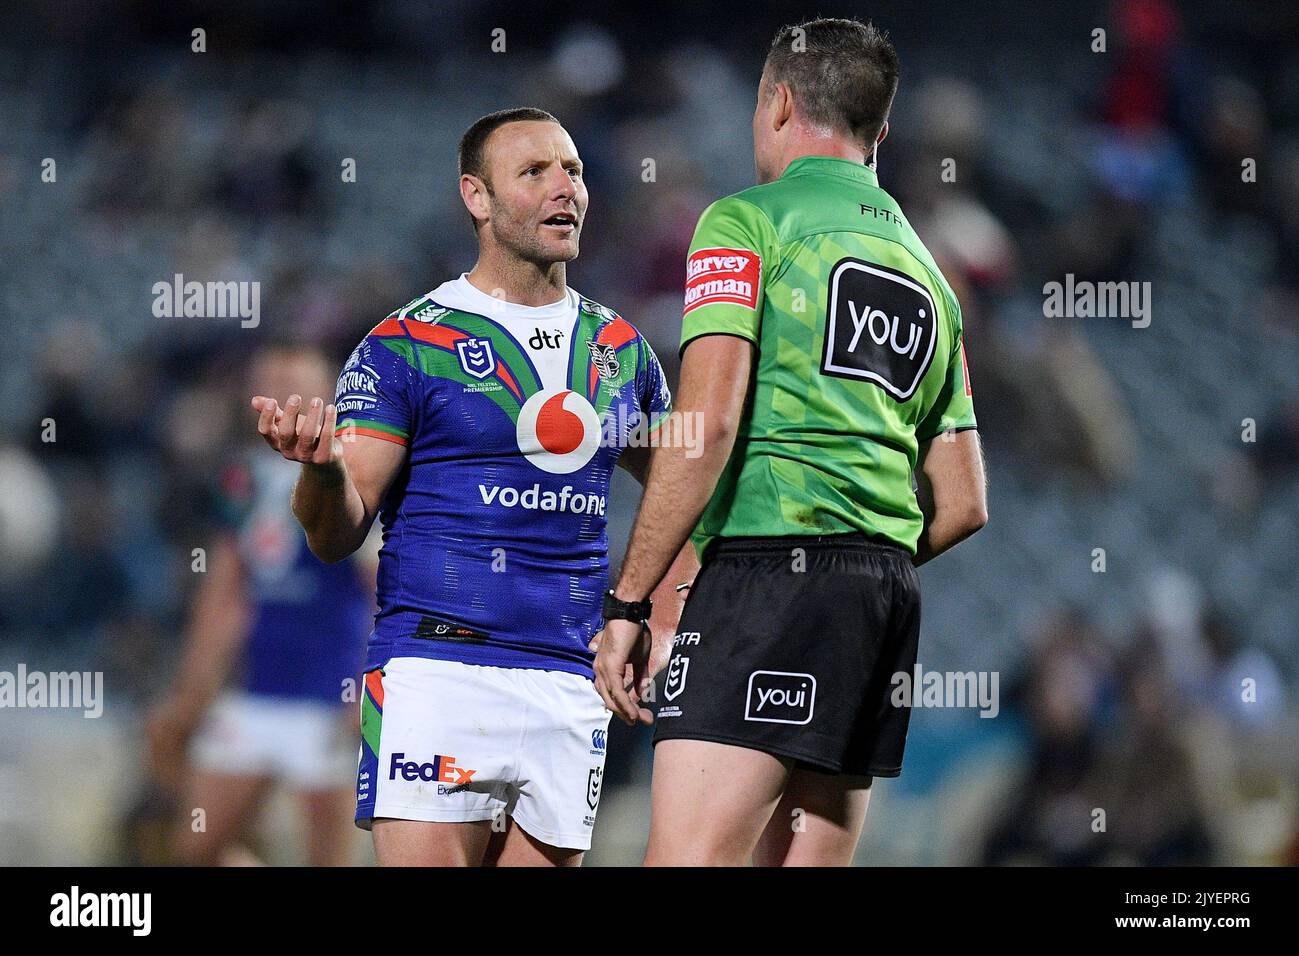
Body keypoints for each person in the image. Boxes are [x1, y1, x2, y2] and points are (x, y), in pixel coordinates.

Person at [592, 18, 988, 866]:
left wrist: (630, 604)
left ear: (777, 103)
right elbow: (962, 504)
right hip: (880, 601)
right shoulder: (931, 275)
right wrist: (851, 564)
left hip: (765, 582)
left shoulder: (745, 222)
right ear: (879, 131)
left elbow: (709, 428)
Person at [251, 108, 689, 866]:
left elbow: (685, 490)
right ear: (476, 198)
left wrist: (662, 614)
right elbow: (334, 534)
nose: (566, 189)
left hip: (569, 680)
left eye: (574, 170)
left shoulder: (621, 351)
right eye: (535, 172)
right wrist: (320, 469)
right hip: (436, 669)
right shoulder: (404, 346)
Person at [148, 345, 374, 866]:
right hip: (257, 692)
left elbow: (384, 587)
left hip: (329, 695)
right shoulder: (243, 478)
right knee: (198, 850)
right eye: (270, 383)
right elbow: (226, 594)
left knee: (327, 860)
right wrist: (192, 689)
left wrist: (370, 688)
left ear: (330, 394)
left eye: (296, 384)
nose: (283, 398)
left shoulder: (356, 467)